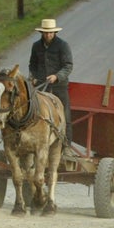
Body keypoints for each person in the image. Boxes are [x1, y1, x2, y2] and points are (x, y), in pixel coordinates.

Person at [29, 17, 74, 146]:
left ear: (55, 32)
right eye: (46, 32)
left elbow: (68, 66)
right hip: (41, 86)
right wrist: (33, 77)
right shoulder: (36, 46)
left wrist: (57, 76)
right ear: (41, 33)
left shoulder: (63, 45)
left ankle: (66, 145)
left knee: (64, 115)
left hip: (59, 86)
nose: (48, 35)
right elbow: (32, 64)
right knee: (35, 113)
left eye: (50, 32)